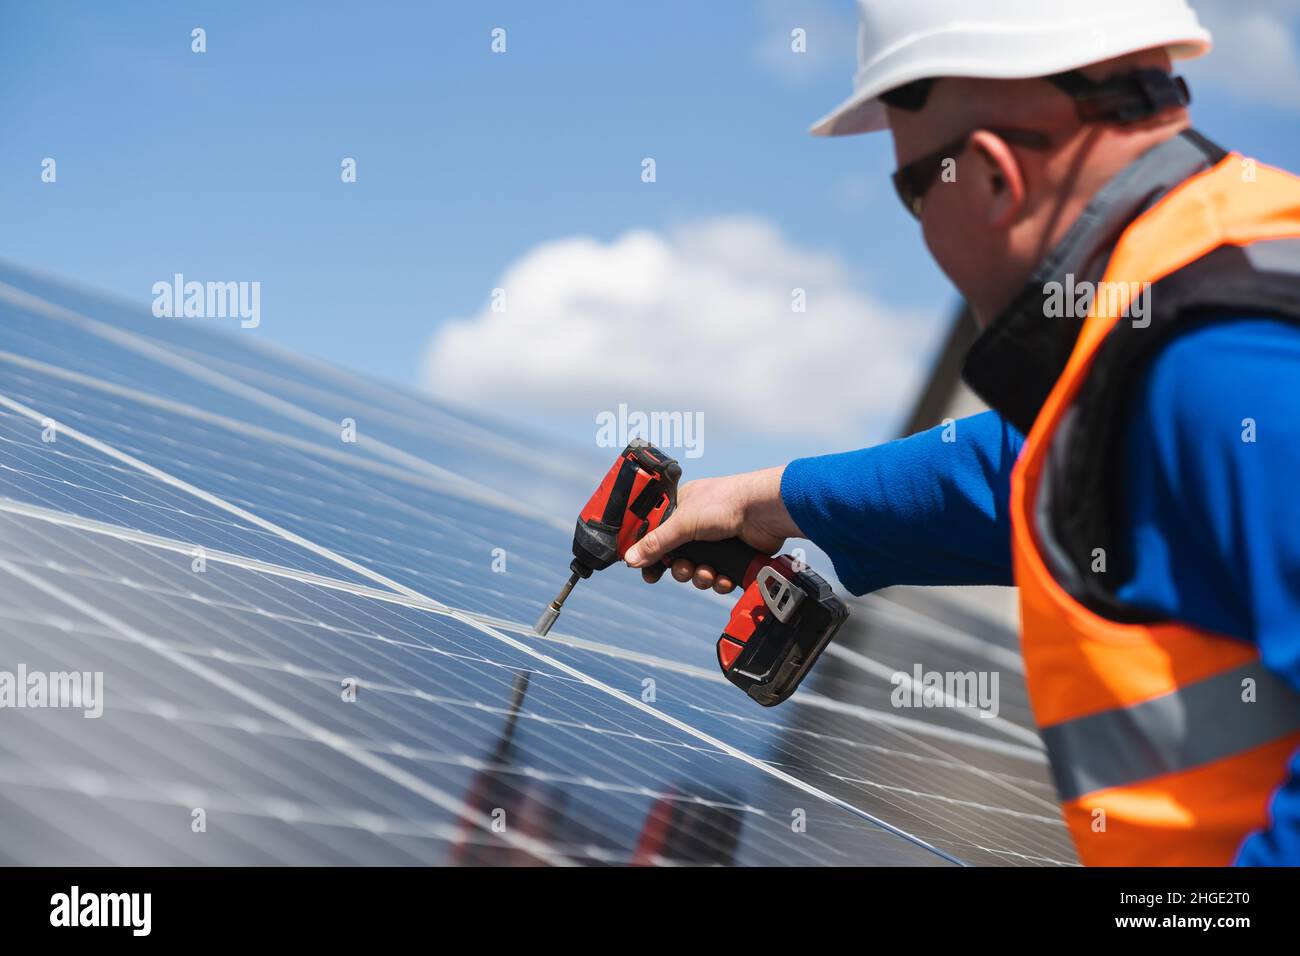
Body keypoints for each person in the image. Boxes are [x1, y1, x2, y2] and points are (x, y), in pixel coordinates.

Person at [624, 1, 1300, 866]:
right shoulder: (1201, 288)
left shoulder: (1228, 357)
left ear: (987, 176)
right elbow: (1028, 467)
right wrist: (764, 503)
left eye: (913, 192)